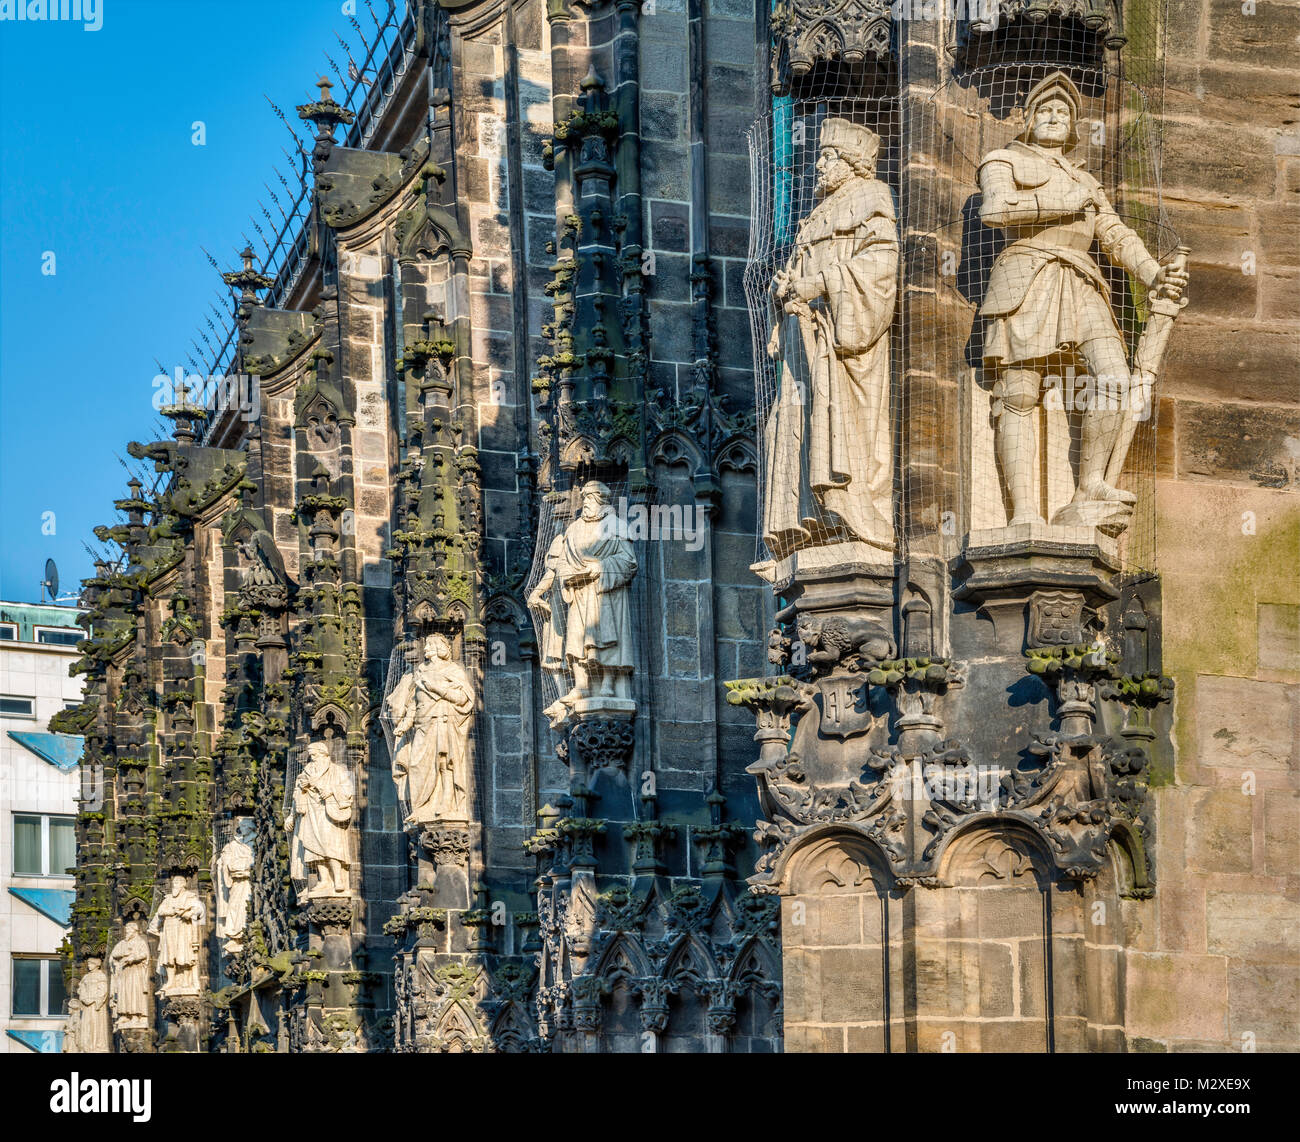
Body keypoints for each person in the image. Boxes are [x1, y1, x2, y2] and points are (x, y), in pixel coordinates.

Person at [977, 70, 1188, 527]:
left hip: (1083, 281)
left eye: (1063, 113)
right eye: (1045, 111)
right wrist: (1065, 203)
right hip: (1027, 274)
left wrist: (1154, 276)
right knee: (1018, 392)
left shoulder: (1084, 180)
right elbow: (995, 209)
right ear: (1029, 119)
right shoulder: (1002, 159)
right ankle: (1024, 512)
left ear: (1072, 128)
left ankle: (1090, 484)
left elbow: (1115, 235)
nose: (1054, 117)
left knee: (1113, 377)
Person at [763, 117, 898, 559]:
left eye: (828, 157)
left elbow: (881, 267)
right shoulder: (815, 214)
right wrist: (785, 288)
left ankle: (858, 517)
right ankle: (818, 522)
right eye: (821, 156)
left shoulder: (873, 196)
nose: (819, 165)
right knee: (801, 419)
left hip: (844, 339)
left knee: (848, 424)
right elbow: (802, 275)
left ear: (854, 163)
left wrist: (820, 283)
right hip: (807, 335)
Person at [527, 482, 637, 722]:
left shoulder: (616, 527)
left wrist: (600, 567)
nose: (585, 503)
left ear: (601, 501)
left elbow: (629, 562)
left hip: (605, 592)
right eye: (584, 499)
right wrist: (568, 577)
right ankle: (582, 684)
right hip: (578, 592)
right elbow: (563, 562)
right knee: (576, 639)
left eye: (590, 499)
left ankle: (608, 681)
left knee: (608, 636)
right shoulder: (574, 529)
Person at [385, 634, 474, 825]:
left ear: (441, 648)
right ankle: (422, 807)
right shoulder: (420, 672)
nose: (426, 649)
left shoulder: (453, 670)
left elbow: (463, 699)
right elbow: (414, 705)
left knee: (446, 764)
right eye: (426, 645)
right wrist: (404, 725)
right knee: (417, 763)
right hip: (423, 724)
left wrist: (435, 688)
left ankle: (446, 803)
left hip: (444, 721)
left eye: (431, 645)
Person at [284, 742, 354, 898]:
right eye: (311, 756)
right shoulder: (306, 772)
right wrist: (291, 815)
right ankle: (324, 880)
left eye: (314, 755)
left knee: (331, 845)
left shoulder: (337, 770)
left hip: (329, 813)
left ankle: (338, 879)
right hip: (310, 812)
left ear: (324, 754)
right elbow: (296, 794)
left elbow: (348, 789)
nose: (312, 758)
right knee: (313, 847)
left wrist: (330, 790)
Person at [147, 876, 205, 995]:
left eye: (178, 882)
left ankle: (185, 981)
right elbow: (161, 911)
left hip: (183, 929)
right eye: (174, 882)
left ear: (183, 884)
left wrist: (189, 913)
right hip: (169, 930)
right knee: (169, 956)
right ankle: (171, 981)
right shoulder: (168, 898)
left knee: (184, 954)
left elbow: (199, 909)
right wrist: (173, 911)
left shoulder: (189, 896)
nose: (175, 884)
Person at [215, 818, 255, 953]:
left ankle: (243, 934)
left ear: (250, 827)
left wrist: (242, 866)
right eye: (240, 826)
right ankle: (235, 936)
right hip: (237, 883)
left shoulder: (254, 842)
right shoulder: (234, 845)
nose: (240, 828)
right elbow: (229, 864)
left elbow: (254, 861)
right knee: (234, 907)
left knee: (245, 906)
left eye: (243, 826)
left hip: (247, 882)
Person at [108, 919, 151, 1029]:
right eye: (126, 931)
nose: (127, 933)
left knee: (134, 993)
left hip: (135, 971)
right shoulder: (122, 943)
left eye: (128, 931)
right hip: (124, 972)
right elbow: (113, 956)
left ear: (135, 931)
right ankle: (125, 1015)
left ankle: (136, 1015)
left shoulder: (140, 942)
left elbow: (144, 954)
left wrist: (133, 958)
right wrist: (122, 956)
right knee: (124, 993)